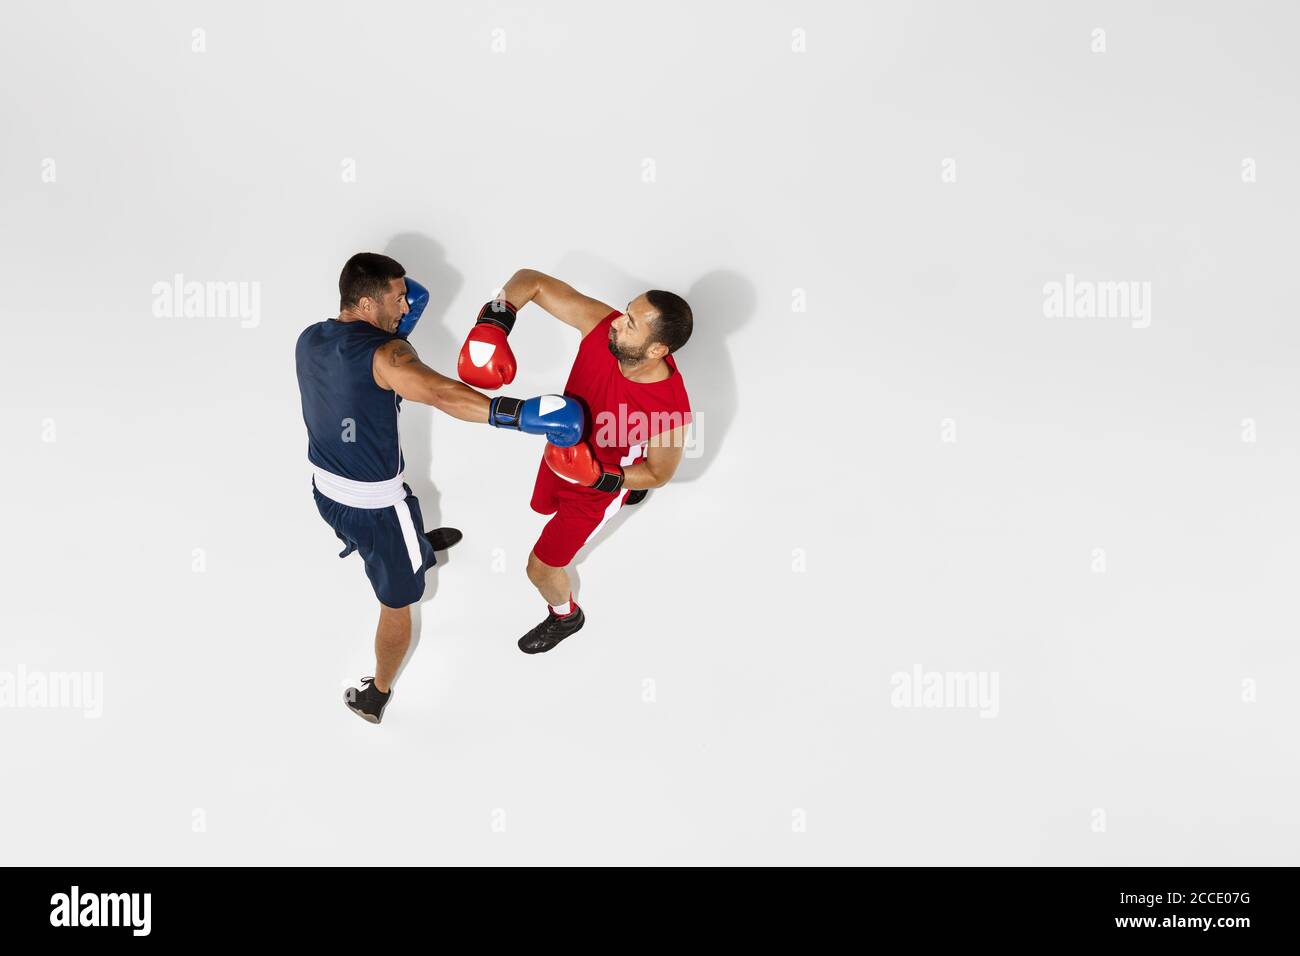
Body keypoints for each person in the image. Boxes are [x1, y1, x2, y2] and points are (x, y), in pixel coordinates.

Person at [295, 253, 583, 722]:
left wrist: (392, 327)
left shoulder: (310, 338)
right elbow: (441, 393)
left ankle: (418, 546)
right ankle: (378, 693)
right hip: (377, 510)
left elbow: (361, 368)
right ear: (367, 303)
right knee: (399, 602)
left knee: (403, 512)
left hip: (325, 490)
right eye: (397, 297)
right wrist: (520, 414)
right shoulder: (388, 355)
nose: (408, 305)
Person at [457, 269, 693, 653]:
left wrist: (600, 478)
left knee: (540, 567)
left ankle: (565, 616)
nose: (617, 320)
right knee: (543, 503)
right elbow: (530, 280)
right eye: (626, 311)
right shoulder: (604, 329)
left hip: (595, 489)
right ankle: (623, 492)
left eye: (630, 322)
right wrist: (494, 322)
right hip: (561, 451)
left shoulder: (670, 409)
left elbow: (659, 472)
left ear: (656, 350)